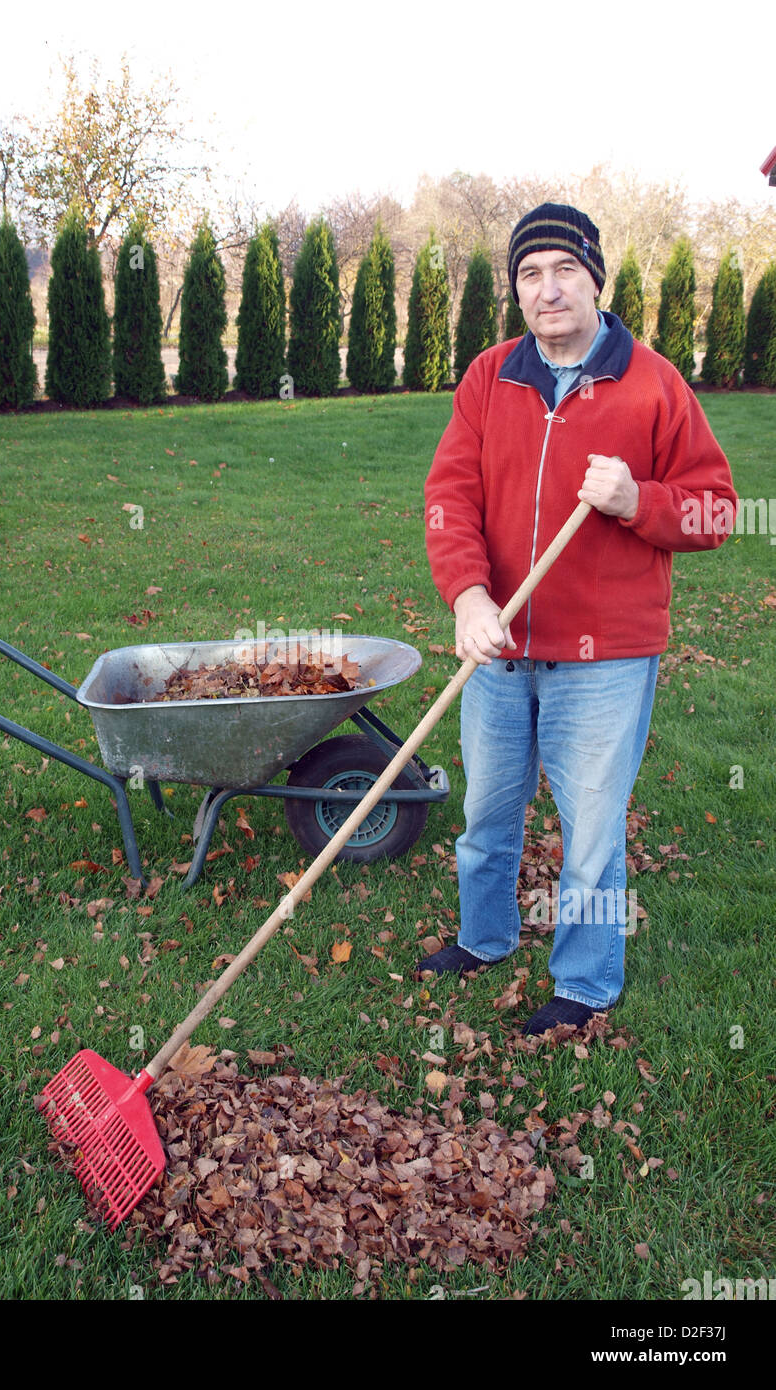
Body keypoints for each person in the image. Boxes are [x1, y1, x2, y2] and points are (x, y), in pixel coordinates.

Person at [420, 202, 737, 1035]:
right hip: (500, 648)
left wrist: (639, 500)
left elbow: (716, 512)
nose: (547, 288)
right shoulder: (490, 376)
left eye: (564, 269)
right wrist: (467, 595)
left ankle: (584, 984)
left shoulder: (654, 383)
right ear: (515, 291)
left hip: (604, 660)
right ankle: (483, 938)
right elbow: (449, 497)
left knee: (590, 831)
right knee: (486, 814)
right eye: (529, 273)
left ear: (596, 279)